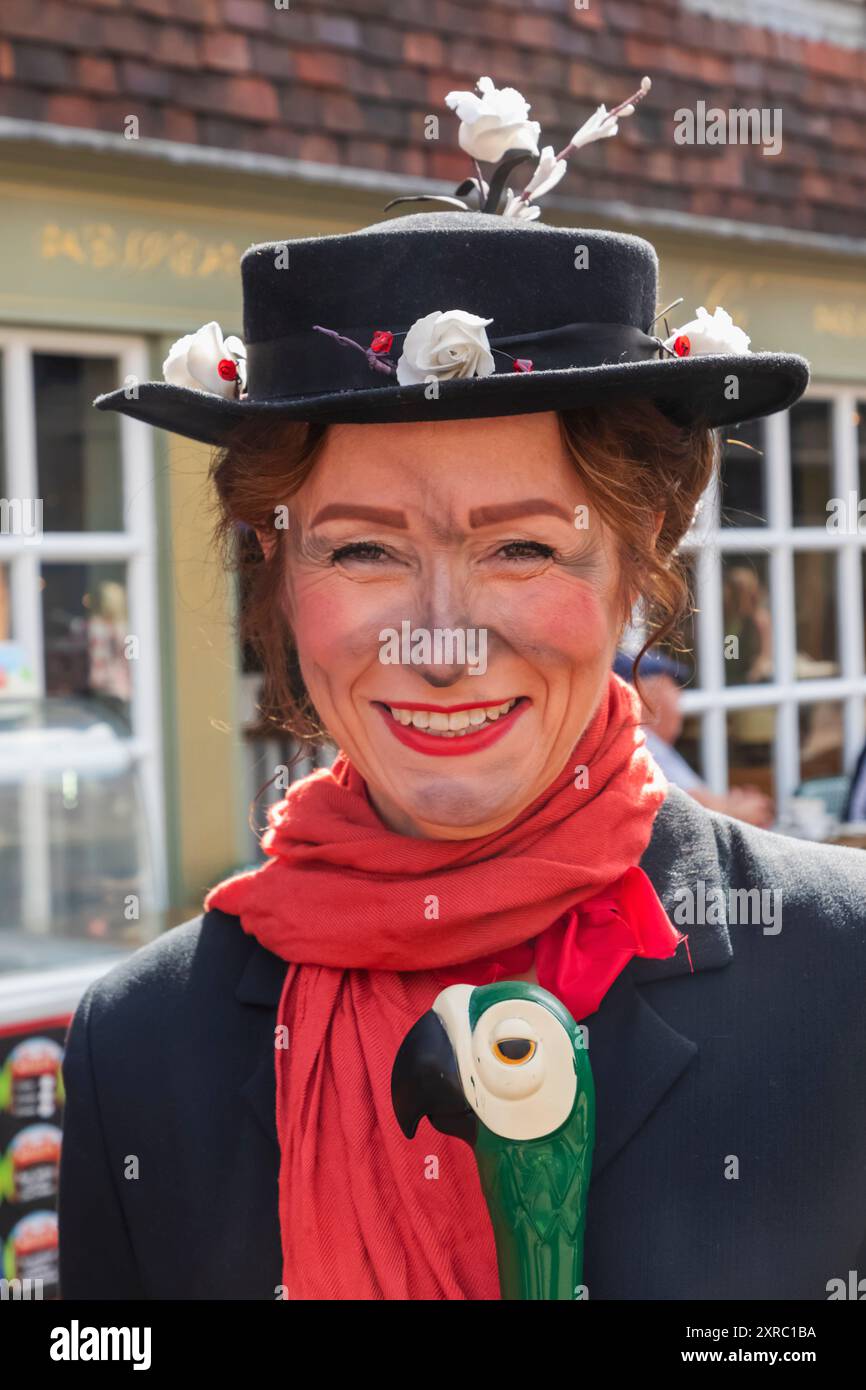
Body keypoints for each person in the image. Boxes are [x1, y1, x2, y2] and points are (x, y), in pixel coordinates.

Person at [58, 75, 866, 1302]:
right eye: (363, 548)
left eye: (521, 547)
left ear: (632, 566)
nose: (440, 644)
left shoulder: (841, 971)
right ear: (275, 572)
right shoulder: (139, 1045)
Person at [614, 650, 775, 827]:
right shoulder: (643, 745)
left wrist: (731, 804)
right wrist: (740, 810)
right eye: (672, 687)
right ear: (642, 693)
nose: (680, 700)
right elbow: (703, 816)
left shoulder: (650, 745)